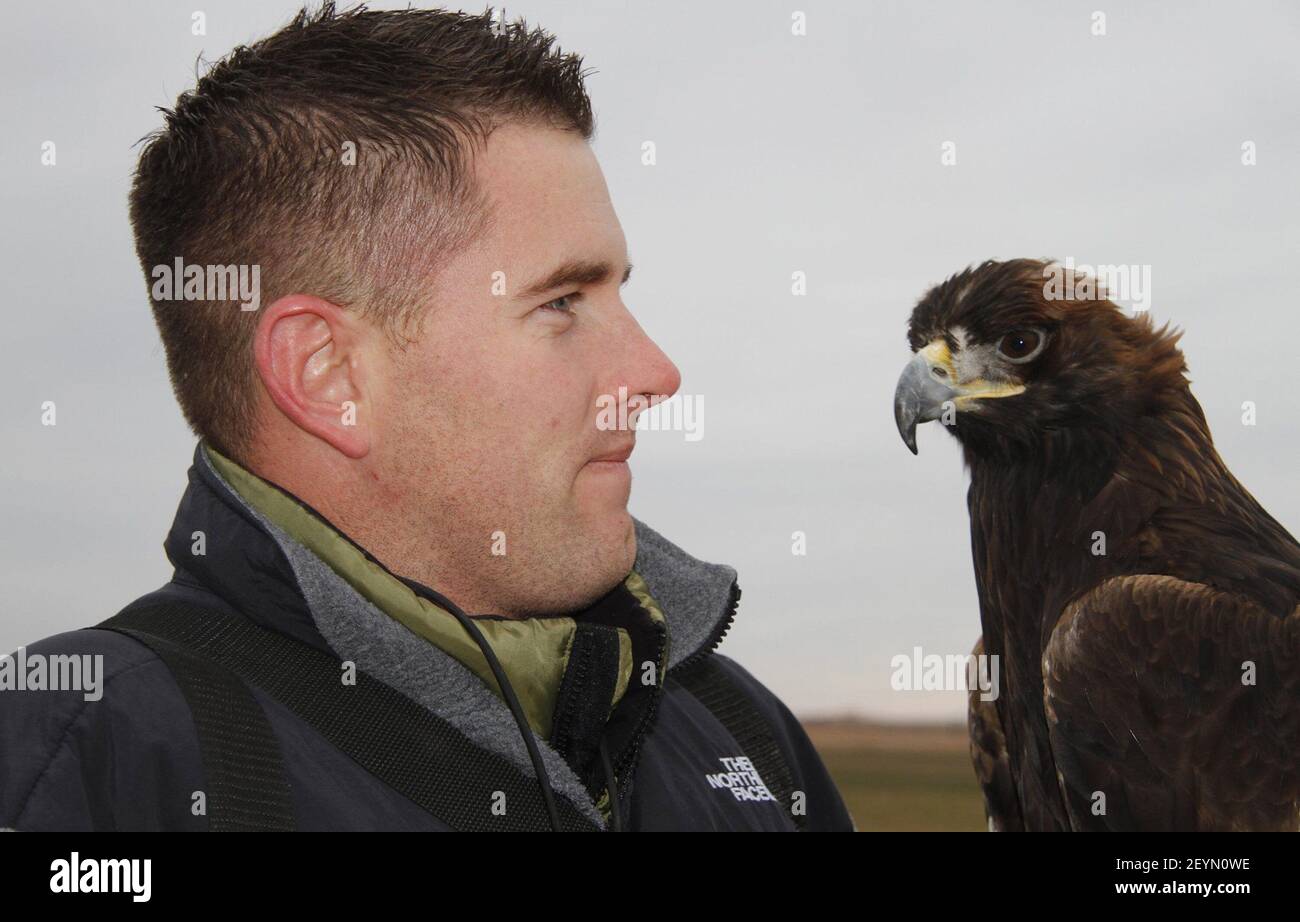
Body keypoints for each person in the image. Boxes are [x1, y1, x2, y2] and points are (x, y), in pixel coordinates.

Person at [0, 2, 854, 832]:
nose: (655, 373)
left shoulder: (737, 731)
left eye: (615, 293)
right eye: (561, 301)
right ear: (328, 373)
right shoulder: (87, 760)